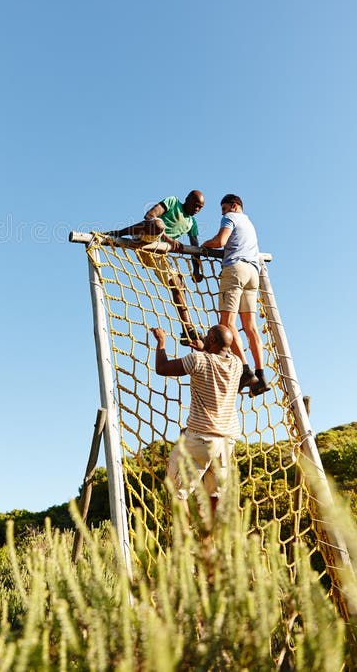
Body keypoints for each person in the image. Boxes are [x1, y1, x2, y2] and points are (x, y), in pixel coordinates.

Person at [150, 324, 242, 520]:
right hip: (227, 442)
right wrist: (204, 348)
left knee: (178, 491)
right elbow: (215, 359)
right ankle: (208, 542)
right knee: (213, 495)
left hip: (200, 438)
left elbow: (162, 368)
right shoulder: (237, 364)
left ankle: (187, 538)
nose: (205, 338)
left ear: (213, 341)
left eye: (208, 336)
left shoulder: (197, 360)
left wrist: (161, 342)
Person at [107, 191, 205, 344]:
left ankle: (188, 330)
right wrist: (168, 239)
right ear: (187, 200)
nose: (197, 209)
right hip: (146, 238)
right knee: (158, 224)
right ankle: (118, 233)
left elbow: (195, 246)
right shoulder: (173, 202)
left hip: (157, 254)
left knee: (178, 285)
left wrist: (196, 270)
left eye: (200, 207)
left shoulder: (192, 223)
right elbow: (149, 215)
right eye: (196, 205)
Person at [200, 194, 270, 397]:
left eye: (224, 208)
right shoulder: (249, 223)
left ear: (234, 206)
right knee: (250, 326)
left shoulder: (231, 217)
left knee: (227, 323)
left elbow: (220, 241)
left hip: (235, 269)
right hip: (253, 273)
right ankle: (261, 375)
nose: (223, 213)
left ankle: (246, 372)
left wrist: (206, 243)